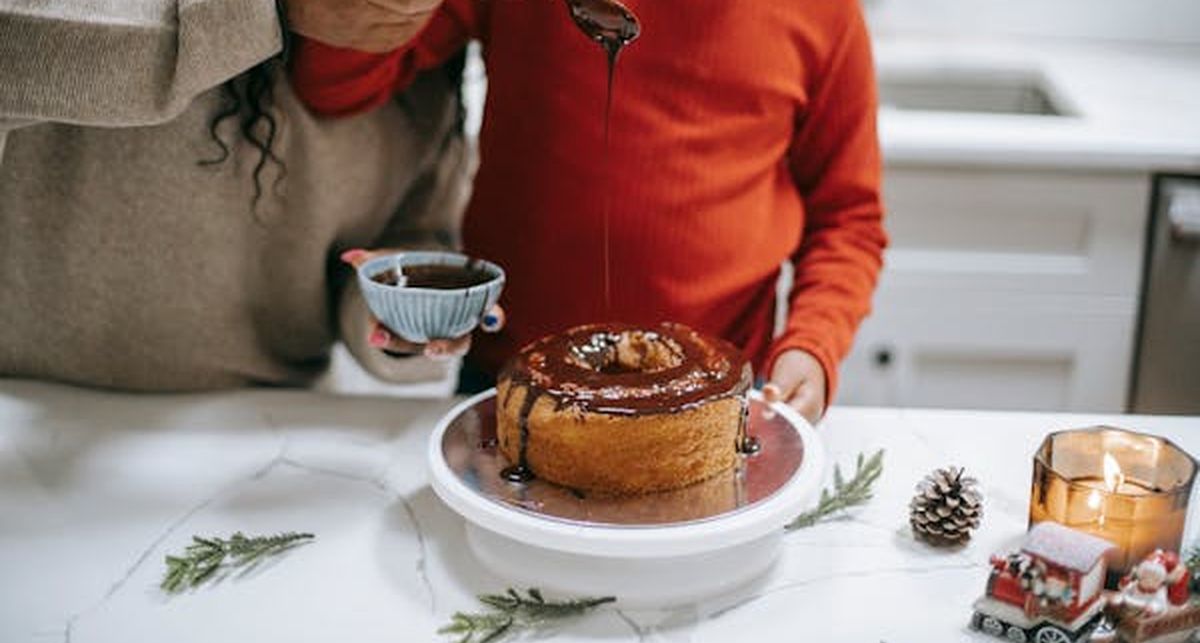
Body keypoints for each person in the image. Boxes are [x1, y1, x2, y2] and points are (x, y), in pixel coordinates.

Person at [291, 0, 888, 422]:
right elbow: (332, 84)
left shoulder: (824, 13)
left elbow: (850, 220)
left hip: (718, 396)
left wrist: (812, 343)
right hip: (509, 381)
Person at [0, 0, 483, 391]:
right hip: (23, 405)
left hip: (262, 430)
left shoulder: (429, 45)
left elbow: (412, 229)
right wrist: (271, 10)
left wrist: (400, 312)